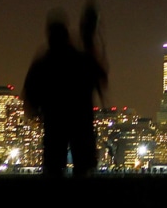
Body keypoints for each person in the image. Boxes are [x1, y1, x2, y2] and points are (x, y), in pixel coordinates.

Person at [23, 9, 106, 177]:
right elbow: (99, 75)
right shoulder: (80, 59)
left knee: (54, 167)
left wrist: (36, 111)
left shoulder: (44, 63)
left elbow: (30, 93)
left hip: (55, 119)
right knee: (81, 167)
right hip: (79, 119)